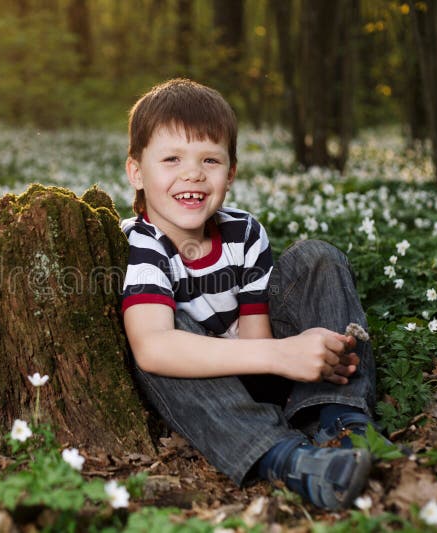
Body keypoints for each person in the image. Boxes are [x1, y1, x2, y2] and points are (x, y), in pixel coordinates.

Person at [120, 78, 379, 511]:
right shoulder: (142, 244)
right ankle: (288, 458)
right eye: (171, 159)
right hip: (206, 394)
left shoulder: (244, 231)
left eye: (210, 159)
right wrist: (281, 355)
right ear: (136, 172)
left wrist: (293, 352)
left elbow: (257, 338)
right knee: (165, 334)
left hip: (259, 361)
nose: (193, 173)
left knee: (317, 256)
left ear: (231, 172)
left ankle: (343, 419)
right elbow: (151, 350)